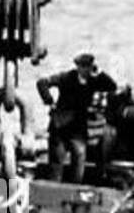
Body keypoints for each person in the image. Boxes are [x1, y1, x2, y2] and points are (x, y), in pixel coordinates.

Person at [37, 53, 119, 185]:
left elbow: (111, 86)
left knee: (79, 158)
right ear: (78, 67)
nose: (86, 70)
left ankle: (74, 191)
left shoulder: (93, 81)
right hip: (60, 127)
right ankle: (53, 191)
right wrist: (49, 101)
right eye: (83, 67)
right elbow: (42, 83)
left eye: (89, 67)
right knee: (57, 162)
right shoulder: (66, 77)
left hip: (77, 129)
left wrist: (100, 73)